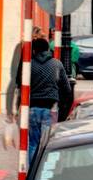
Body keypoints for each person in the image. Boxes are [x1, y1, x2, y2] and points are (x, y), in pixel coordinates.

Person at [19, 35, 73, 163]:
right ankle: (45, 170)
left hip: (32, 108)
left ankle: (32, 173)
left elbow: (22, 85)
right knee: (48, 143)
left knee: (33, 143)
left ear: (34, 50)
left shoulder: (29, 65)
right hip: (51, 108)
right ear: (48, 49)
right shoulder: (56, 64)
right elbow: (67, 89)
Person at [5, 25, 48, 120]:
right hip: (22, 77)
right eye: (36, 37)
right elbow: (15, 64)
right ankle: (13, 113)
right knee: (15, 90)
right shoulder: (21, 46)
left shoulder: (40, 46)